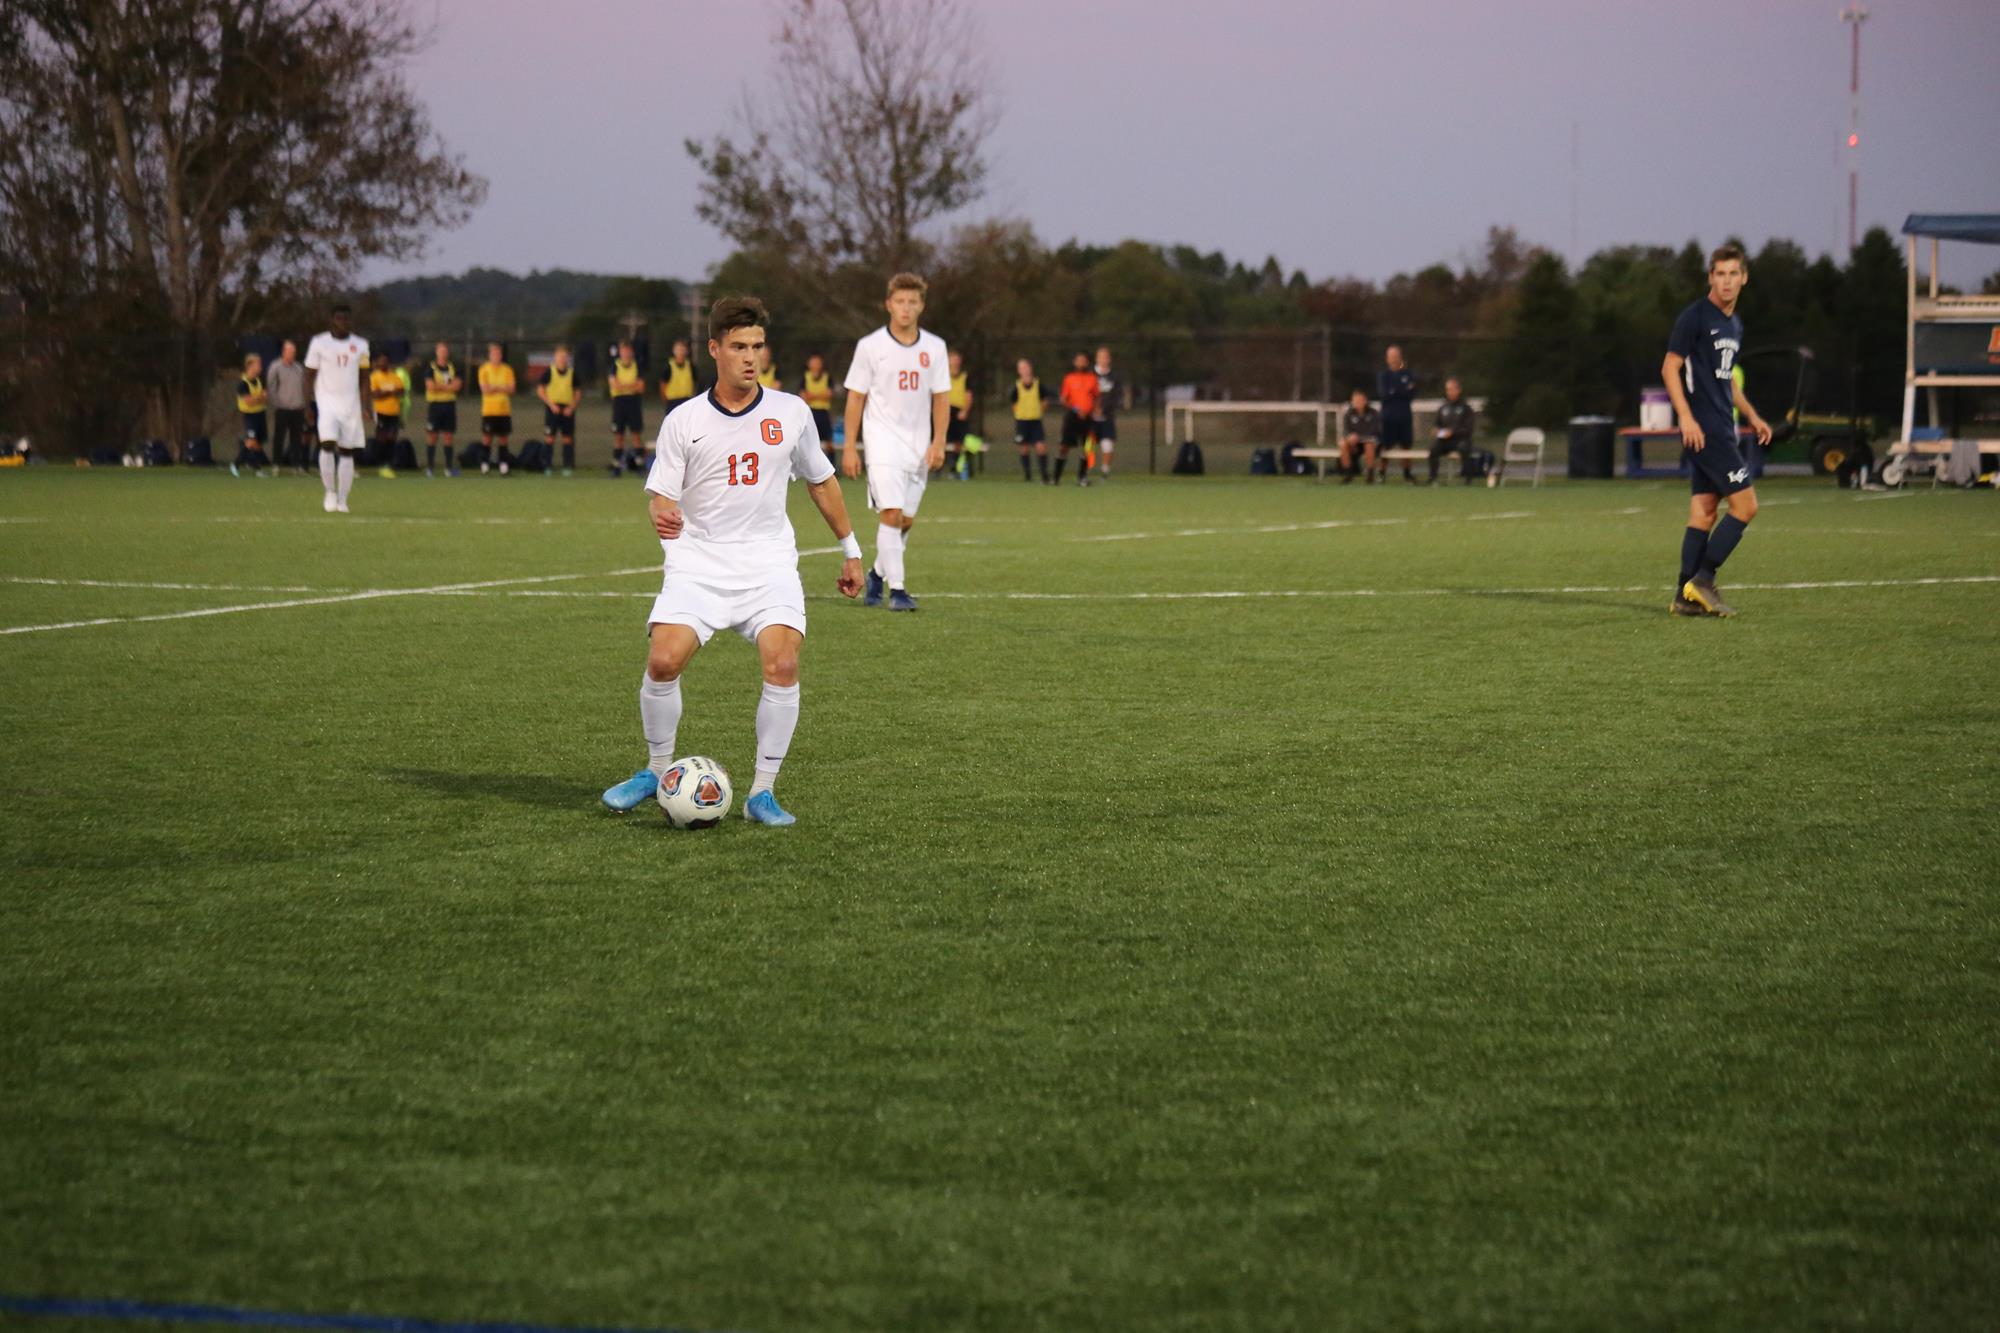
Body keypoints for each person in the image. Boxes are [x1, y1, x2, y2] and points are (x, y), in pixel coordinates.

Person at [599, 294, 866, 826]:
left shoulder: (792, 413)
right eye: (739, 346)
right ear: (714, 349)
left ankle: (761, 793)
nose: (751, 357)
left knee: (783, 664)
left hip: (768, 567)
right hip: (698, 564)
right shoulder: (684, 419)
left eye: (759, 346)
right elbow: (662, 495)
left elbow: (821, 481)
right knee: (663, 661)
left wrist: (851, 550)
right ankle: (656, 771)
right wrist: (662, 512)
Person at [1664, 242, 1772, 617]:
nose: (1726, 282)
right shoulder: (1695, 317)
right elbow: (1669, 367)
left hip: (1723, 426)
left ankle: (1683, 595)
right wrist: (1686, 416)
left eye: (1733, 274)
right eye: (1719, 274)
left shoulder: (1734, 323)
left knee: (1704, 511)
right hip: (1704, 429)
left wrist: (1753, 416)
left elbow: (1728, 382)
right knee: (1746, 505)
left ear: (1744, 278)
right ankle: (1704, 579)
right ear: (1710, 277)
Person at [841, 272, 950, 611]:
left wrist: (939, 441)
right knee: (891, 512)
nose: (906, 308)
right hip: (881, 443)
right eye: (900, 301)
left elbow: (942, 398)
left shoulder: (935, 347)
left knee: (905, 520)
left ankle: (877, 574)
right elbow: (855, 398)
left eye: (913, 302)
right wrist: (849, 447)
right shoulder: (870, 346)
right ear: (888, 305)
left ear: (922, 306)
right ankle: (898, 591)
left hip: (919, 447)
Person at [303, 303, 369, 512]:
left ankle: (343, 499)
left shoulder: (361, 345)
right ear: (332, 320)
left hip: (351, 405)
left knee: (347, 451)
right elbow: (309, 376)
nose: (343, 322)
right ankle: (330, 491)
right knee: (327, 444)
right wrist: (307, 405)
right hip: (327, 403)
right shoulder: (319, 343)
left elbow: (365, 379)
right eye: (339, 318)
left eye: (346, 318)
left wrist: (366, 405)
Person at [649, 338, 699, 477]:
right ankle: (669, 465)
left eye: (683, 348)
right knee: (672, 434)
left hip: (687, 402)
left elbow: (695, 383)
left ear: (687, 351)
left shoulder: (691, 366)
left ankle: (690, 464)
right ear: (674, 351)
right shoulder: (669, 367)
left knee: (689, 435)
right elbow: (663, 386)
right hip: (673, 402)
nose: (681, 351)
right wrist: (667, 401)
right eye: (678, 348)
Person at [1057, 352, 1100, 487]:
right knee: (1064, 447)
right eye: (1078, 360)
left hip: (1088, 418)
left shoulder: (1092, 378)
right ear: (1075, 363)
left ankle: (1082, 477)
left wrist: (1095, 409)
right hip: (1073, 418)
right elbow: (1063, 400)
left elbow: (1097, 397)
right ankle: (1056, 477)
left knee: (1088, 447)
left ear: (1087, 363)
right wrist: (1077, 410)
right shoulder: (1069, 378)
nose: (1081, 363)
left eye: (1083, 361)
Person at [534, 344, 578, 475]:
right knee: (549, 438)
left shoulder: (572, 373)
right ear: (555, 357)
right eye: (560, 356)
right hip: (553, 409)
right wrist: (551, 404)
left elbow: (578, 392)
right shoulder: (549, 372)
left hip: (567, 409)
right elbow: (540, 390)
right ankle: (547, 466)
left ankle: (567, 467)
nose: (562, 359)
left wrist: (571, 407)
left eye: (565, 356)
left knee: (567, 438)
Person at [421, 341, 462, 476]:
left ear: (447, 352)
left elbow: (457, 386)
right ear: (437, 352)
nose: (443, 353)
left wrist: (440, 386)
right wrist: (448, 386)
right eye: (441, 350)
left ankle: (448, 469)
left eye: (445, 350)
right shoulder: (430, 368)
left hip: (449, 406)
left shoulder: (453, 367)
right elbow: (430, 387)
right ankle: (430, 468)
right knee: (432, 436)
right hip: (435, 406)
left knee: (448, 437)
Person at [266, 340, 308, 472]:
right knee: (279, 436)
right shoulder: (276, 367)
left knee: (296, 438)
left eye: (294, 352)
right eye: (291, 352)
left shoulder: (299, 368)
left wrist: (303, 404)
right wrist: (277, 402)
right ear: (284, 352)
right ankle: (276, 464)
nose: (293, 354)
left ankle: (296, 464)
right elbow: (271, 386)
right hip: (282, 408)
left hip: (297, 408)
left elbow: (304, 386)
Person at [1378, 345, 1417, 483]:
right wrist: (1400, 390)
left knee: (1406, 446)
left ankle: (1407, 474)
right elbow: (1384, 395)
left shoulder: (1408, 375)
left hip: (1404, 417)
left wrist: (1394, 391)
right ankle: (1381, 473)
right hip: (1388, 418)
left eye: (1396, 356)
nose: (1394, 359)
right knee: (1385, 446)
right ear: (1387, 359)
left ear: (1400, 357)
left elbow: (1410, 394)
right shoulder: (1383, 376)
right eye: (1391, 356)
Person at [606, 340, 645, 476]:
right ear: (620, 352)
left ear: (631, 352)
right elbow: (614, 385)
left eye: (628, 351)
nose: (626, 353)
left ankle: (640, 466)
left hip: (633, 403)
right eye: (623, 351)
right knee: (618, 436)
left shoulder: (637, 366)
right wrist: (630, 386)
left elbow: (640, 387)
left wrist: (623, 386)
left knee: (636, 435)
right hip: (619, 403)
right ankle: (617, 467)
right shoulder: (614, 367)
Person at [476, 342, 516, 475]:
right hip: (489, 410)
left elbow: (511, 389)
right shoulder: (484, 369)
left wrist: (495, 387)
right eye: (493, 353)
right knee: (487, 438)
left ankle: (503, 464)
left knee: (503, 438)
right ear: (489, 355)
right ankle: (484, 463)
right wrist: (502, 387)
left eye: (498, 354)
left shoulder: (507, 370)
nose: (496, 356)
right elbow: (485, 390)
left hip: (504, 410)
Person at [1428, 377, 1476, 484]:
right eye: (1448, 389)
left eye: (1452, 389)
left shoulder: (1466, 408)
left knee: (1464, 448)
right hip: (1445, 441)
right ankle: (1432, 477)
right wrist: (1435, 430)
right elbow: (1437, 424)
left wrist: (1453, 432)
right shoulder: (1444, 407)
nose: (1450, 392)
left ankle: (1468, 479)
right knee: (1433, 448)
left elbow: (1468, 429)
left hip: (1461, 440)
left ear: (1458, 390)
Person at [1009, 359, 1050, 483]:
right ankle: (1027, 474)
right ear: (1018, 371)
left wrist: (1039, 410)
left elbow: (1045, 401)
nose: (1024, 370)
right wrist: (1020, 413)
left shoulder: (1038, 385)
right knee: (1024, 447)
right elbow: (1013, 403)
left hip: (1035, 421)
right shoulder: (1016, 386)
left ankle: (1044, 474)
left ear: (1030, 368)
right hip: (1022, 422)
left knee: (1040, 446)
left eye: (1026, 367)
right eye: (1021, 368)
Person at [232, 354, 271, 476]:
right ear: (250, 366)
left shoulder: (260, 380)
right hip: (250, 416)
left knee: (258, 443)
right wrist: (259, 398)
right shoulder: (243, 384)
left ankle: (257, 468)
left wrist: (257, 399)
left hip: (261, 414)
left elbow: (265, 398)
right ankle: (236, 464)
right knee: (251, 441)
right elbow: (248, 402)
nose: (260, 367)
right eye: (258, 364)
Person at [369, 354, 404, 473]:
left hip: (394, 412)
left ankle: (390, 463)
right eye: (381, 361)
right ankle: (381, 463)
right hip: (381, 412)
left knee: (392, 437)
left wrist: (384, 391)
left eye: (386, 361)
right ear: (378, 363)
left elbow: (401, 391)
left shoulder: (394, 376)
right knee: (381, 438)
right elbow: (375, 394)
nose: (384, 363)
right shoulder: (374, 377)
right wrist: (390, 391)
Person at [1337, 388, 1381, 484]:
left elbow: (1375, 431)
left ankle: (1370, 475)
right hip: (1355, 444)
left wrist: (1360, 437)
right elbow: (1346, 430)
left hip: (1370, 443)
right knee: (1342, 444)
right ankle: (1348, 474)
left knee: (1369, 445)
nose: (1356, 403)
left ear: (1365, 401)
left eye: (1359, 400)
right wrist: (1349, 436)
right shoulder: (1349, 414)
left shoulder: (1373, 413)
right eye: (1354, 401)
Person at [800, 353, 835, 462]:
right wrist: (821, 395)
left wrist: (813, 396)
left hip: (823, 413)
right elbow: (803, 396)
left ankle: (833, 467)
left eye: (817, 362)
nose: (815, 364)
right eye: (813, 362)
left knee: (829, 443)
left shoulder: (827, 377)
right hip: (810, 413)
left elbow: (829, 394)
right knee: (809, 442)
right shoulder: (805, 377)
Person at [1091, 345, 1118, 480]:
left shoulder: (1114, 376)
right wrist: (1092, 408)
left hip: (1107, 417)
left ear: (1109, 359)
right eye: (1100, 357)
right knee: (1088, 444)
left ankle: (1105, 471)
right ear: (1096, 359)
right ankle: (1087, 470)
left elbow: (1116, 396)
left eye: (1105, 357)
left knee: (1108, 445)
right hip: (1091, 417)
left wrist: (1104, 409)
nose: (1103, 359)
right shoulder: (1090, 375)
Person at [944, 349, 971, 478]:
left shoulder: (965, 377)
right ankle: (937, 468)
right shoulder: (942, 375)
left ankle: (953, 468)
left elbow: (969, 396)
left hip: (959, 412)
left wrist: (965, 411)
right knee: (941, 439)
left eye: (956, 358)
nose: (954, 361)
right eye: (952, 358)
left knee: (958, 442)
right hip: (946, 411)